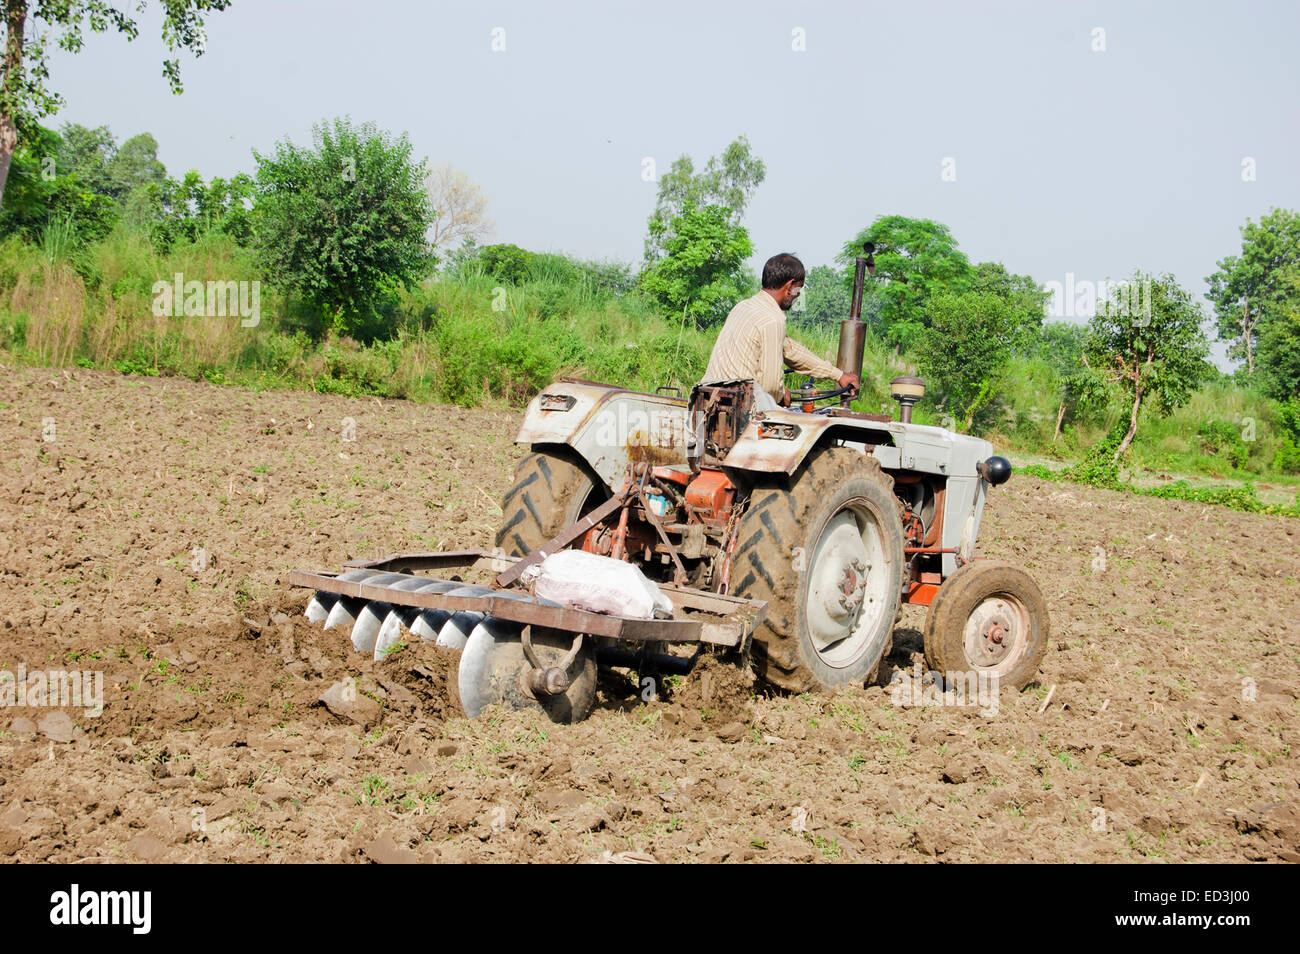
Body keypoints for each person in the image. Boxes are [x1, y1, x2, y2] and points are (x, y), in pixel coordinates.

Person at [702, 253, 860, 411]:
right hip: (738, 409)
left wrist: (838, 375)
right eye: (799, 289)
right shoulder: (773, 319)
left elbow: (791, 351)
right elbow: (770, 385)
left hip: (707, 399)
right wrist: (781, 393)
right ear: (790, 286)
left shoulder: (743, 307)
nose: (798, 295)